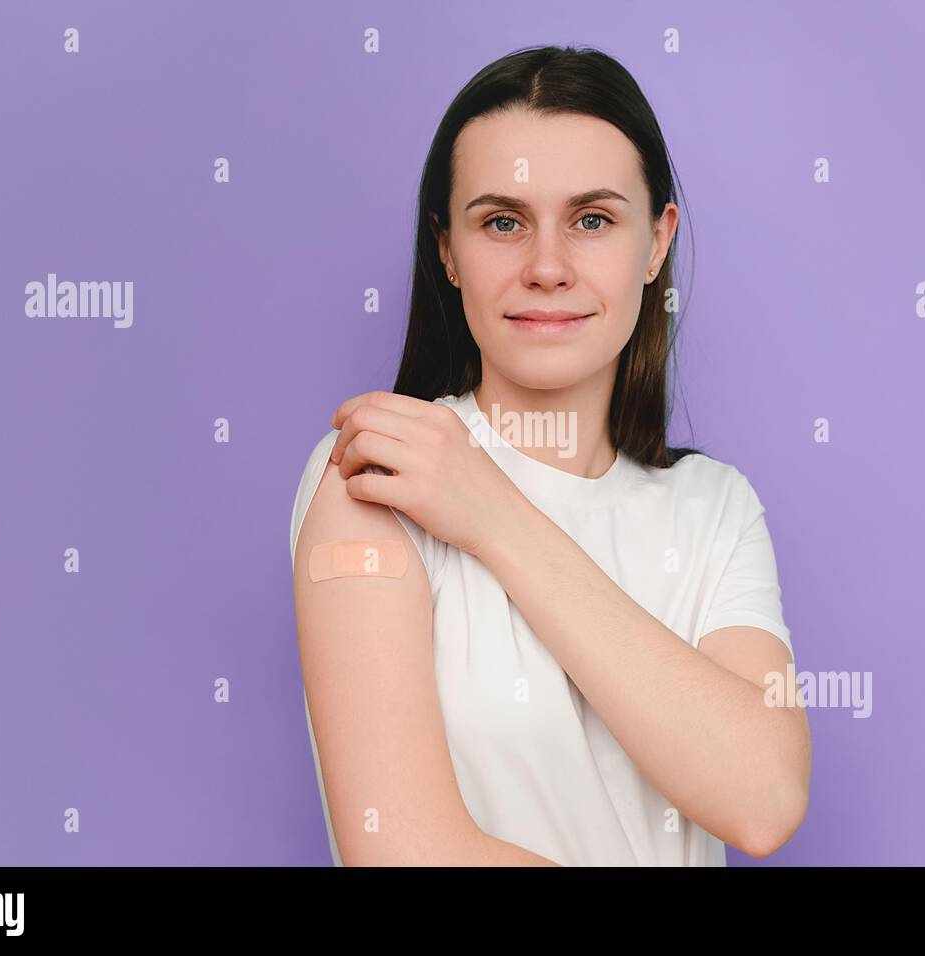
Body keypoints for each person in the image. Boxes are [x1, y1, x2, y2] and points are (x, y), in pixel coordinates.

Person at [289, 45, 810, 866]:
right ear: (447, 250)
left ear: (656, 243)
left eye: (593, 220)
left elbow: (764, 800)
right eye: (502, 221)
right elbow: (405, 853)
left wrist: (495, 515)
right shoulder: (373, 473)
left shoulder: (715, 507)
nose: (546, 268)